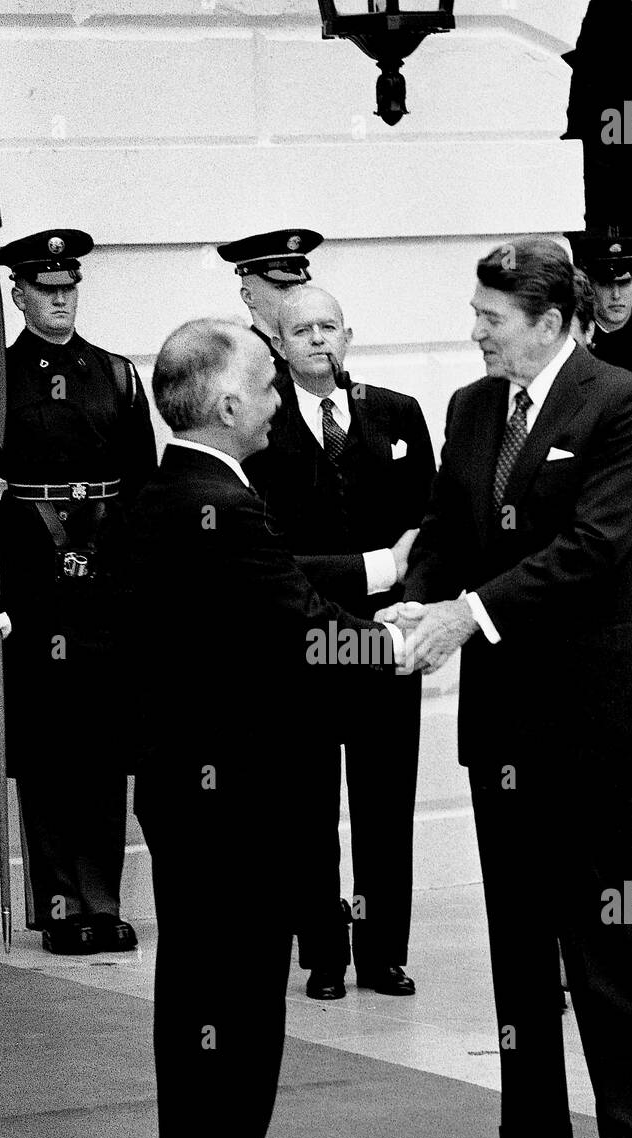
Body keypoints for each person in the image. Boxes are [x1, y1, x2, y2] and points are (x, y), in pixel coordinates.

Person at [382, 237, 632, 1138]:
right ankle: (534, 1136)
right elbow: (447, 528)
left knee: (605, 936)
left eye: (491, 320)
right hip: (502, 729)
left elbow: (595, 545)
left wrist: (472, 613)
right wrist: (417, 600)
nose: (475, 333)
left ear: (548, 323)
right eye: (476, 314)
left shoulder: (620, 404)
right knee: (516, 937)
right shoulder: (469, 410)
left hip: (590, 720)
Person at [126, 317, 405, 1138]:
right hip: (236, 796)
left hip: (187, 787)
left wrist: (377, 573)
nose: (284, 398)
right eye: (270, 385)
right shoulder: (226, 505)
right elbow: (294, 620)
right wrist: (400, 645)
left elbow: (274, 582)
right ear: (230, 402)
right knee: (235, 994)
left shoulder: (169, 491)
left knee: (200, 988)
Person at [0, 228, 157, 955]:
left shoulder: (115, 375)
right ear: (17, 295)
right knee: (44, 750)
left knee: (105, 750)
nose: (59, 302)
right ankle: (57, 904)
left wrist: (138, 581)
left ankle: (101, 902)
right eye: (45, 290)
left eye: (68, 288)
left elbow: (140, 489)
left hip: (103, 586)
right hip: (33, 590)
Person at [247, 285, 436, 999]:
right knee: (307, 807)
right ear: (279, 344)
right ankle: (324, 953)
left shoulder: (396, 415)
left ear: (348, 336)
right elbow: (271, 555)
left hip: (387, 641)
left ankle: (383, 951)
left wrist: (414, 607)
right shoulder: (263, 431)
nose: (318, 340)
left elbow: (432, 524)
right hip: (307, 641)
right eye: (301, 331)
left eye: (329, 327)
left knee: (386, 804)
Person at [216, 227, 323, 372]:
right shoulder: (240, 362)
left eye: (301, 285)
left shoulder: (317, 350)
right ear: (249, 296)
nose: (297, 296)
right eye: (283, 287)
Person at [571, 232, 632, 377]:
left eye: (623, 284)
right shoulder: (576, 344)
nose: (616, 295)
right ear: (591, 287)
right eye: (605, 284)